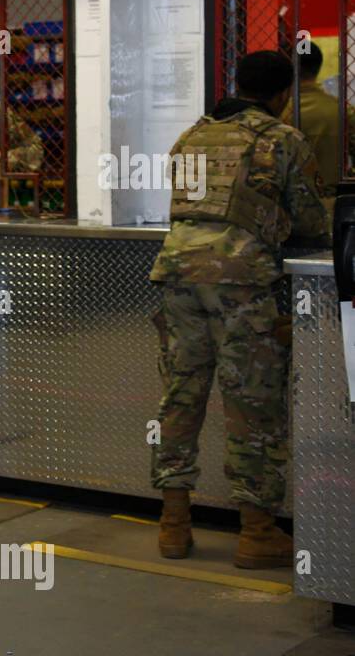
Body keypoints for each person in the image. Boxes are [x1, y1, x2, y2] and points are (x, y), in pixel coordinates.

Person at [149, 50, 331, 568]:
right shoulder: (281, 139)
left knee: (181, 398)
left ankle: (173, 524)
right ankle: (256, 533)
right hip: (241, 283)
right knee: (252, 404)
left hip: (177, 276)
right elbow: (313, 221)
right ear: (282, 95)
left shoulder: (192, 135)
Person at [281, 47, 355, 190]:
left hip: (287, 196)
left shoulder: (279, 110)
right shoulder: (341, 110)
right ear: (318, 66)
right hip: (331, 195)